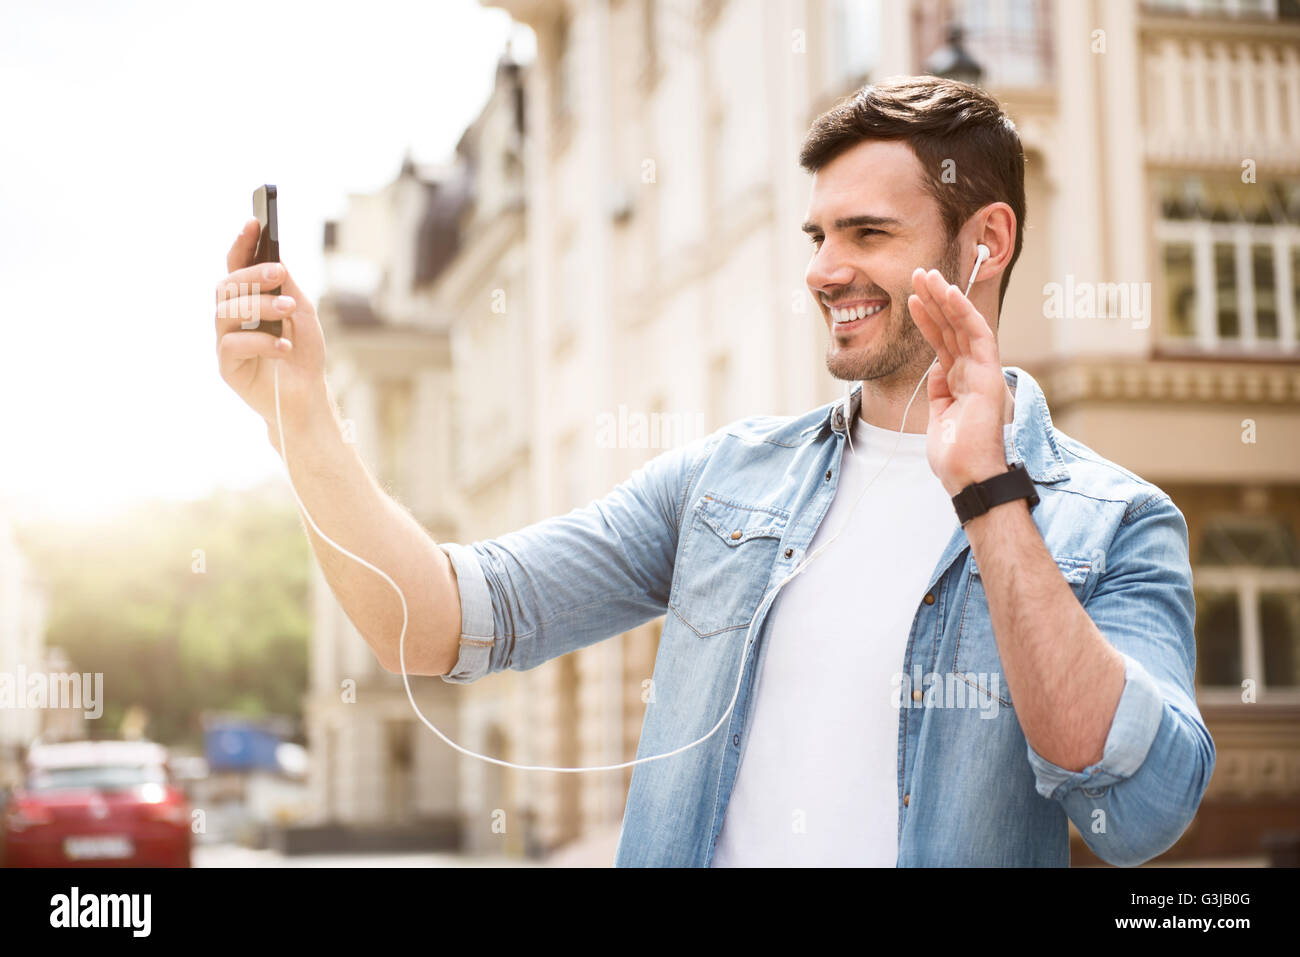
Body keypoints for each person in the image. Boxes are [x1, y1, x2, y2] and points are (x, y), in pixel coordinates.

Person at [212, 75, 1214, 867]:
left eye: (868, 233)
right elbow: (426, 621)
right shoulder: (723, 486)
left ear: (983, 241)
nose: (824, 269)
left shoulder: (1115, 523)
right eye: (819, 235)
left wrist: (990, 494)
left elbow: (1140, 813)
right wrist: (300, 416)